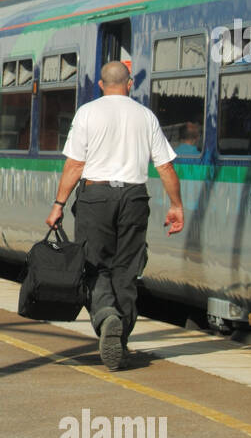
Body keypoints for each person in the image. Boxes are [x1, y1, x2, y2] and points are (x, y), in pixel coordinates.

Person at [45, 60, 184, 371]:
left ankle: (107, 315)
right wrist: (176, 205)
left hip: (96, 196)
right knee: (127, 269)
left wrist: (58, 204)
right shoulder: (145, 116)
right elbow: (164, 167)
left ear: (100, 85)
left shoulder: (87, 113)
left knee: (94, 265)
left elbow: (75, 166)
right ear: (130, 83)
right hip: (134, 197)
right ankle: (120, 341)